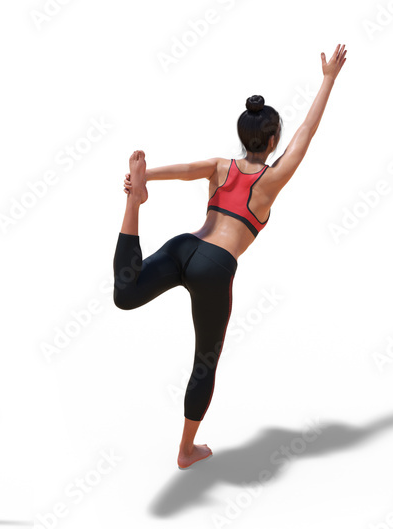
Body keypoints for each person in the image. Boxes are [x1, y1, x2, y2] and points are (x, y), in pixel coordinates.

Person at [112, 44, 347, 469]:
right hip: (215, 266)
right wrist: (328, 78)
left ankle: (134, 206)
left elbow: (186, 169)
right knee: (205, 361)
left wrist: (146, 176)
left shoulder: (222, 166)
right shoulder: (272, 180)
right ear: (273, 140)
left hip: (186, 244)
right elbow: (307, 134)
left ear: (243, 136)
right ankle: (186, 450)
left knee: (125, 294)